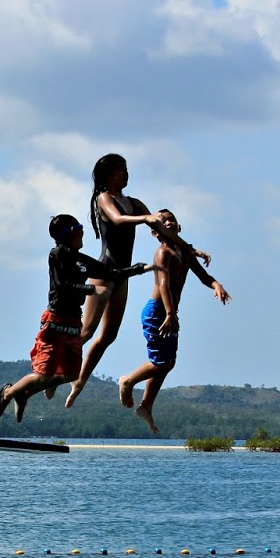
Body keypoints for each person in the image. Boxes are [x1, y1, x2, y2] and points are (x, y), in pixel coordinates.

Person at [62, 153, 211, 408]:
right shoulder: (104, 199)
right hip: (103, 273)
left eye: (127, 168)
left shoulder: (135, 203)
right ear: (110, 175)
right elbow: (118, 220)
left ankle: (79, 382)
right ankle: (55, 370)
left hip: (123, 275)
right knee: (87, 331)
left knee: (109, 336)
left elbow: (163, 230)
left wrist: (190, 250)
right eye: (122, 169)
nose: (127, 173)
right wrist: (145, 218)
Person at [0, 215, 147, 423]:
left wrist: (134, 270)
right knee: (43, 375)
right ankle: (8, 393)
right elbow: (62, 285)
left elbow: (109, 272)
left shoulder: (80, 259)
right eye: (80, 228)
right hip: (54, 321)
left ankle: (24, 393)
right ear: (71, 233)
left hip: (73, 323)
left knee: (71, 374)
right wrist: (91, 289)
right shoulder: (57, 255)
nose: (83, 232)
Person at [118, 209, 231, 434]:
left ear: (179, 228)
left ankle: (146, 406)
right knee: (159, 362)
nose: (168, 223)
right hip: (158, 312)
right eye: (163, 222)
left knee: (168, 363)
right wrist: (169, 314)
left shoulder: (185, 253)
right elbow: (164, 285)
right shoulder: (163, 254)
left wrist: (216, 284)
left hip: (170, 313)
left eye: (172, 220)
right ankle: (128, 381)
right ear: (155, 233)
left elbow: (203, 276)